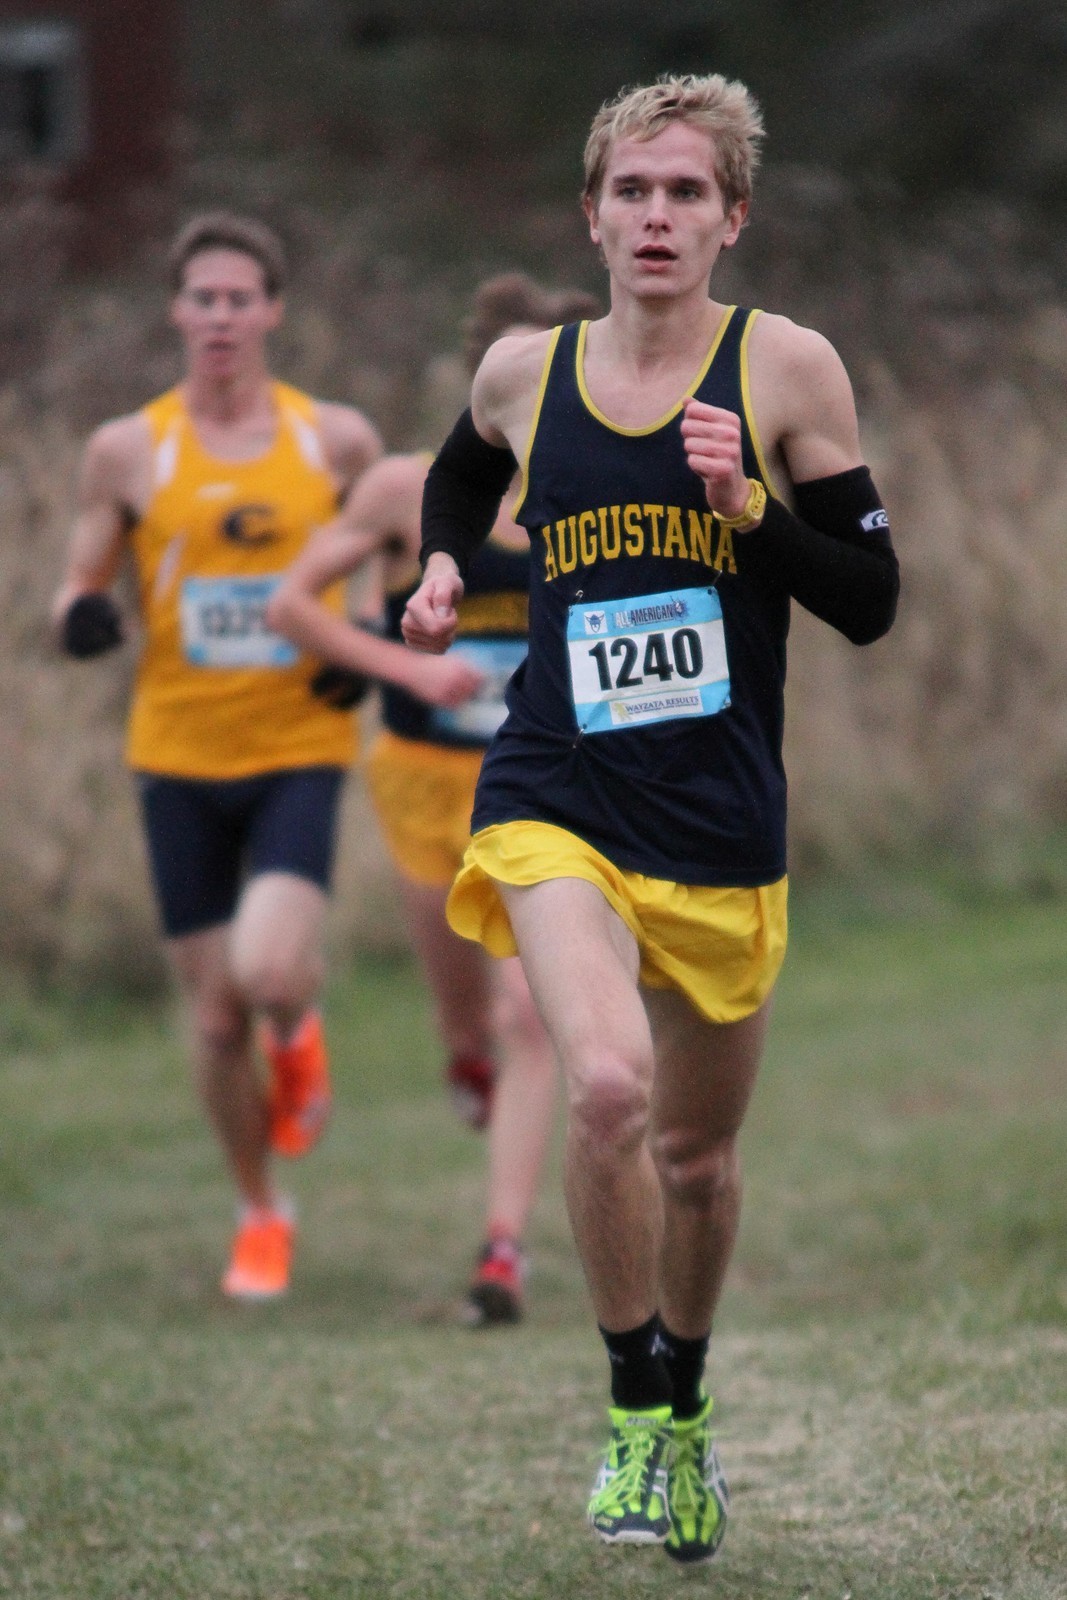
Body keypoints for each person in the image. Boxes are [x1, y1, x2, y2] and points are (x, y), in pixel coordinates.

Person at [402, 74, 899, 1560]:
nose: (657, 215)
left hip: (719, 820)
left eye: (686, 192)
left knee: (691, 1161)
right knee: (603, 1087)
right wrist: (442, 569)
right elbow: (457, 477)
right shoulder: (522, 372)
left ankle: (683, 1399)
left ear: (731, 219)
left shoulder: (785, 369)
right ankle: (631, 1411)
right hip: (554, 790)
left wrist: (750, 513)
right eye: (632, 190)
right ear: (591, 214)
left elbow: (869, 600)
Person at [52, 212, 384, 1302]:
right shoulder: (128, 449)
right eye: (204, 297)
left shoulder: (331, 439)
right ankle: (260, 1211)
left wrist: (363, 637)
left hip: (297, 742)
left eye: (241, 297)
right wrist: (82, 617)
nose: (222, 316)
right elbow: (78, 582)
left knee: (269, 969)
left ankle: (299, 1028)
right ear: (177, 310)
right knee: (209, 1015)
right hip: (177, 752)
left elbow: (382, 548)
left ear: (273, 311)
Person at [268, 274, 600, 1324]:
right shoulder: (403, 489)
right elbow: (291, 604)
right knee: (471, 1021)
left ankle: (501, 1253)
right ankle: (462, 1053)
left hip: (541, 786)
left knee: (526, 1015)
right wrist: (403, 666)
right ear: (482, 379)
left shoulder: (597, 492)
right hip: (422, 784)